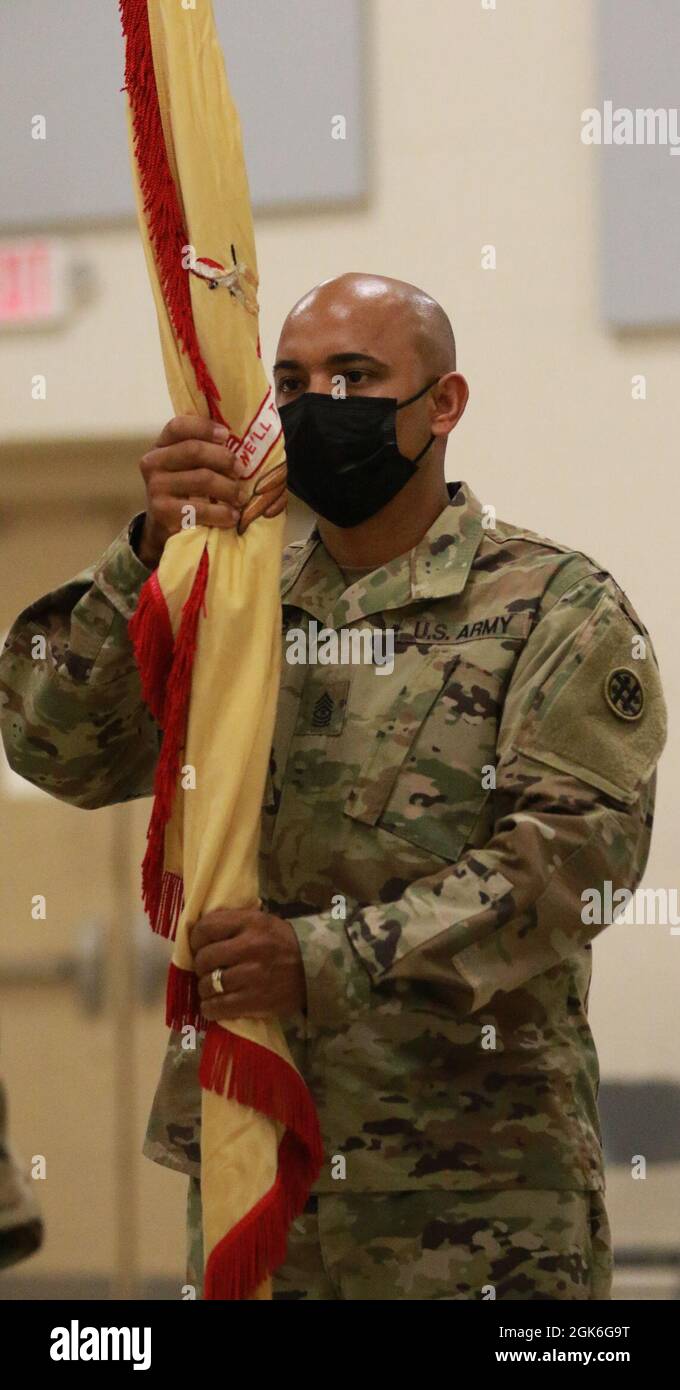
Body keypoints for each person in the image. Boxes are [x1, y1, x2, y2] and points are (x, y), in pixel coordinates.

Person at [0, 273, 667, 1300]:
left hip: (474, 1206)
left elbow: (573, 863)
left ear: (440, 404)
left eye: (356, 377)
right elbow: (55, 747)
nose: (320, 405)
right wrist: (144, 554)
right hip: (260, 1185)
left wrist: (319, 956)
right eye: (293, 381)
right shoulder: (235, 602)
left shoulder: (549, 606)